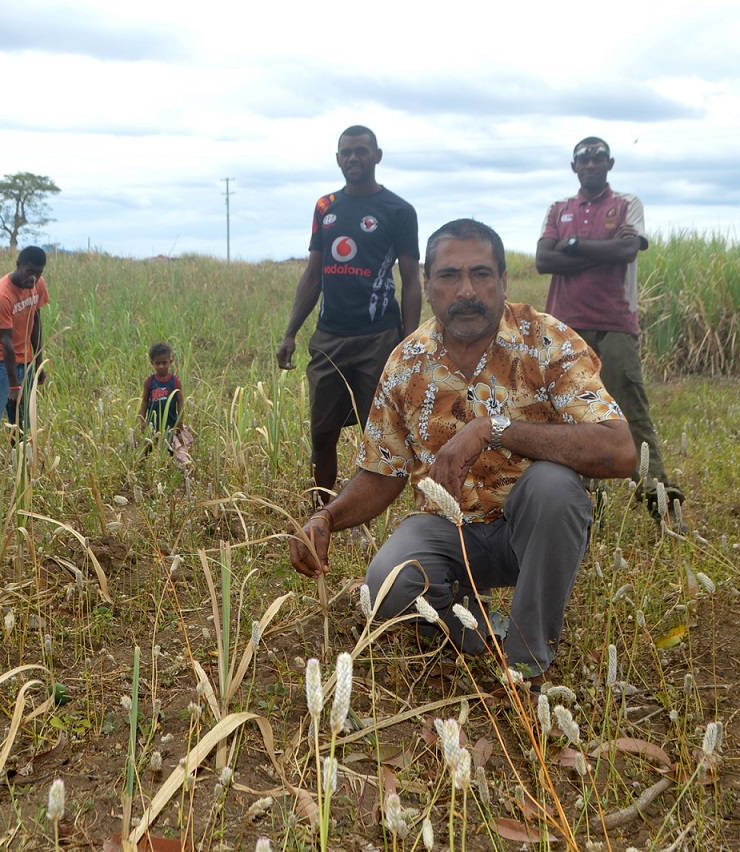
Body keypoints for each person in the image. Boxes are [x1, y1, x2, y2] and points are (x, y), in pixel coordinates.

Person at [288, 219, 636, 685]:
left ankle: (527, 661)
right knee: (387, 585)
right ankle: (484, 630)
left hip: (532, 531)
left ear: (504, 282)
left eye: (481, 274)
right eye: (449, 276)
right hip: (446, 530)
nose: (466, 290)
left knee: (554, 488)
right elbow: (382, 475)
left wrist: (495, 429)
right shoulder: (406, 362)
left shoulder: (548, 341)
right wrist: (325, 518)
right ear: (428, 286)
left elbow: (620, 450)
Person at [535, 136, 684, 518]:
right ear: (573, 167)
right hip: (566, 327)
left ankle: (658, 497)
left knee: (631, 410)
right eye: (582, 158)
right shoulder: (558, 208)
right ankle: (581, 504)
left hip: (615, 322)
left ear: (610, 163)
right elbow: (543, 260)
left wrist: (572, 246)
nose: (590, 163)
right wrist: (597, 250)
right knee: (570, 414)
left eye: (598, 157)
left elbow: (626, 251)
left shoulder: (627, 205)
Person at [276, 125, 421, 505]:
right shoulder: (325, 206)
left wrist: (407, 342)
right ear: (337, 158)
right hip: (329, 338)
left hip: (378, 337)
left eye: (361, 151)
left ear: (377, 156)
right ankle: (322, 510)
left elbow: (411, 280)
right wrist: (290, 332)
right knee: (322, 433)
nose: (353, 158)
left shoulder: (399, 211)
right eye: (346, 152)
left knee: (378, 432)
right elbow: (313, 274)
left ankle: (359, 511)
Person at [0, 246, 49, 491]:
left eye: (37, 272)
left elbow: (35, 321)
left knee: (23, 421)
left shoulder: (37, 284)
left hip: (25, 359)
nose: (32, 278)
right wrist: (13, 384)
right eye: (28, 271)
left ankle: (23, 471)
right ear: (18, 264)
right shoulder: (1, 295)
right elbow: (5, 343)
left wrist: (38, 361)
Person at [138, 342, 189, 464]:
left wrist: (180, 421)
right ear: (152, 363)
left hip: (170, 424)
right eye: (157, 363)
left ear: (170, 362)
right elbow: (145, 401)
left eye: (164, 362)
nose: (161, 366)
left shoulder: (175, 381)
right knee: (146, 449)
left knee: (173, 450)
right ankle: (141, 469)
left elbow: (180, 401)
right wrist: (142, 420)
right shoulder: (149, 382)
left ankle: (177, 472)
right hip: (153, 424)